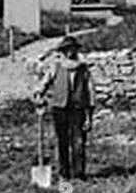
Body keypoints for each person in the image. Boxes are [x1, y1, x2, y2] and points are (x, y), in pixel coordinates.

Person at [34, 35, 94, 180]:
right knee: (62, 142)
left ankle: (79, 174)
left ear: (76, 50)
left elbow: (90, 91)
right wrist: (38, 93)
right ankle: (64, 174)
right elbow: (45, 81)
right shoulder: (56, 66)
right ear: (63, 51)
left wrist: (89, 115)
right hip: (60, 109)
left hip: (78, 109)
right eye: (66, 50)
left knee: (78, 142)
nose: (69, 52)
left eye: (72, 49)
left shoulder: (83, 69)